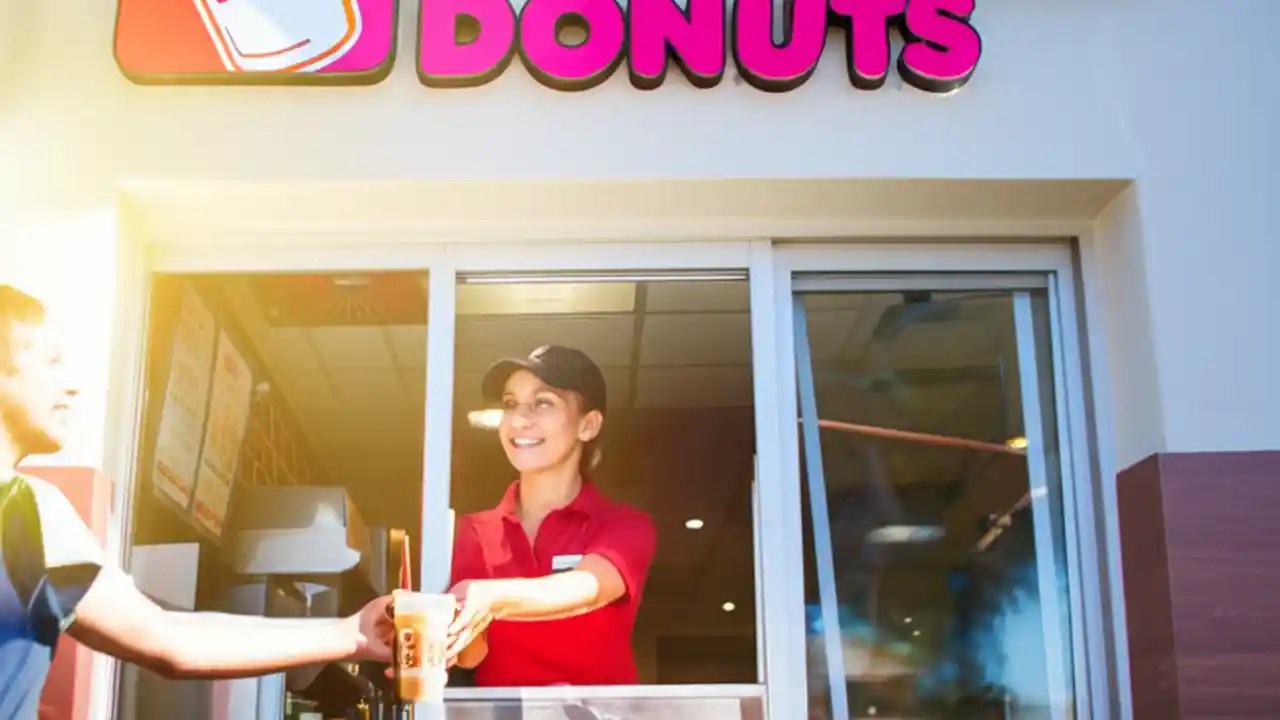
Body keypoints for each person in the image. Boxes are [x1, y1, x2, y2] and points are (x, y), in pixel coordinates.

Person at [0, 284, 396, 718]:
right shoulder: (25, 511)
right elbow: (169, 641)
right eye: (51, 361)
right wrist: (350, 634)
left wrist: (349, 633)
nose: (73, 387)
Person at [445, 345, 657, 686]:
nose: (519, 420)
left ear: (588, 425)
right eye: (511, 403)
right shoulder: (470, 532)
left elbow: (587, 587)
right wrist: (445, 634)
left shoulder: (625, 526)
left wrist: (488, 596)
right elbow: (473, 654)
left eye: (543, 403)